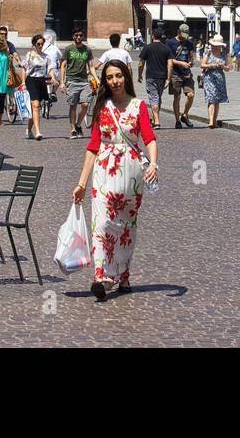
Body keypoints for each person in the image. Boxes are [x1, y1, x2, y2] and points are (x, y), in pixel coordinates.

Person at [71, 60, 159, 301]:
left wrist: (153, 163)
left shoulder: (139, 106)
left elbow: (149, 137)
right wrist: (81, 183)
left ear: (126, 77)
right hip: (104, 171)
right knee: (101, 224)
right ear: (105, 81)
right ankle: (101, 276)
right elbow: (93, 146)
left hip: (131, 176)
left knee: (125, 228)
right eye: (109, 77)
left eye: (118, 76)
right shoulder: (102, 107)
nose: (114, 81)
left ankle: (124, 274)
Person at [60, 29, 94, 138]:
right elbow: (63, 65)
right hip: (71, 80)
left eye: (81, 35)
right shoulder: (68, 49)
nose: (79, 37)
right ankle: (73, 129)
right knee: (73, 106)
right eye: (76, 35)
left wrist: (96, 78)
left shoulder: (87, 50)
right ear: (73, 36)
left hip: (84, 81)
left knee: (85, 104)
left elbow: (91, 66)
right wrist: (62, 82)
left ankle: (78, 124)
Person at [136, 27, 172, 130]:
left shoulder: (148, 47)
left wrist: (139, 74)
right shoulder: (166, 48)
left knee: (154, 98)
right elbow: (170, 65)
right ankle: (155, 118)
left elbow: (141, 63)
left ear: (153, 36)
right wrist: (168, 79)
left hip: (151, 76)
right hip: (162, 77)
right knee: (157, 98)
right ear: (162, 37)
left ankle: (156, 122)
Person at [21, 34, 51, 140]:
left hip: (41, 81)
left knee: (36, 108)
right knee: (36, 105)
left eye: (42, 44)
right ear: (34, 44)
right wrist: (23, 83)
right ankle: (38, 132)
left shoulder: (46, 57)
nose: (40, 46)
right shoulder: (29, 54)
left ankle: (29, 130)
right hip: (31, 81)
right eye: (38, 44)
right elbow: (24, 68)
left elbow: (50, 69)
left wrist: (54, 79)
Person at [166, 24, 196, 129]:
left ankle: (185, 114)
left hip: (187, 73)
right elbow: (169, 59)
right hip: (175, 73)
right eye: (183, 34)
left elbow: (192, 56)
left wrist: (191, 62)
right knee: (177, 97)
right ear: (178, 32)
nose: (184, 37)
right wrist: (181, 63)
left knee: (191, 95)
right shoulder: (170, 43)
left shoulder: (189, 43)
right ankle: (177, 120)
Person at [199, 35, 230, 129]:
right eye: (214, 45)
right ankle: (211, 121)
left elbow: (228, 68)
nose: (215, 47)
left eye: (218, 45)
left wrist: (223, 66)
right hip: (209, 78)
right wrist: (213, 65)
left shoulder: (224, 54)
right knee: (211, 98)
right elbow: (202, 65)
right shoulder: (208, 53)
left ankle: (214, 121)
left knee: (217, 100)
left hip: (220, 79)